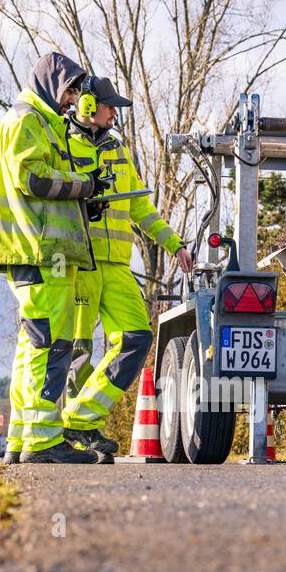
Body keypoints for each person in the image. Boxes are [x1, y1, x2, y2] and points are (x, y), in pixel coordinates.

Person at [0, 52, 102, 464]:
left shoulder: (38, 120)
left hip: (41, 252)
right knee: (49, 346)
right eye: (69, 91)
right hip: (38, 252)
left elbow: (47, 190)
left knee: (35, 345)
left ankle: (21, 439)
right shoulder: (28, 120)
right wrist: (84, 185)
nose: (71, 101)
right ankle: (44, 443)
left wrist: (85, 200)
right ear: (52, 84)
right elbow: (33, 178)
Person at [59, 75, 193, 455]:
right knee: (78, 350)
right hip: (78, 261)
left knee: (136, 338)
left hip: (116, 266)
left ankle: (81, 419)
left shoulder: (118, 150)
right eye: (109, 106)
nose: (115, 113)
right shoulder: (62, 143)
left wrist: (174, 243)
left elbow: (139, 207)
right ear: (88, 106)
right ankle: (74, 432)